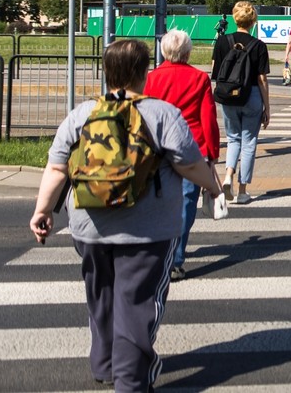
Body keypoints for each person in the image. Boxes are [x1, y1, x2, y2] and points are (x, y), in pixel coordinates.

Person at [29, 39, 224, 391]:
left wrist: (42, 210)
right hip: (147, 230)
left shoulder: (83, 113)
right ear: (143, 72)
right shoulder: (162, 114)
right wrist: (214, 186)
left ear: (107, 73)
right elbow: (191, 164)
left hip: (89, 226)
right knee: (137, 304)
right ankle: (131, 381)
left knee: (100, 296)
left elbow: (57, 168)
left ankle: (105, 366)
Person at [144, 30, 221, 282]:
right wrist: (212, 153)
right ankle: (176, 259)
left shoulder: (152, 78)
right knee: (186, 204)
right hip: (192, 146)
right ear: (187, 52)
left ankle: (157, 251)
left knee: (157, 201)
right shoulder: (199, 78)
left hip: (158, 147)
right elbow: (207, 117)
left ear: (164, 51)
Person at [211, 1, 270, 204]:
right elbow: (262, 79)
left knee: (233, 138)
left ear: (235, 18)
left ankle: (228, 176)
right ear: (253, 21)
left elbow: (216, 72)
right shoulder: (259, 46)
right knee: (249, 142)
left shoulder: (222, 42)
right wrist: (266, 107)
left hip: (228, 96)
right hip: (252, 95)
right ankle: (243, 190)